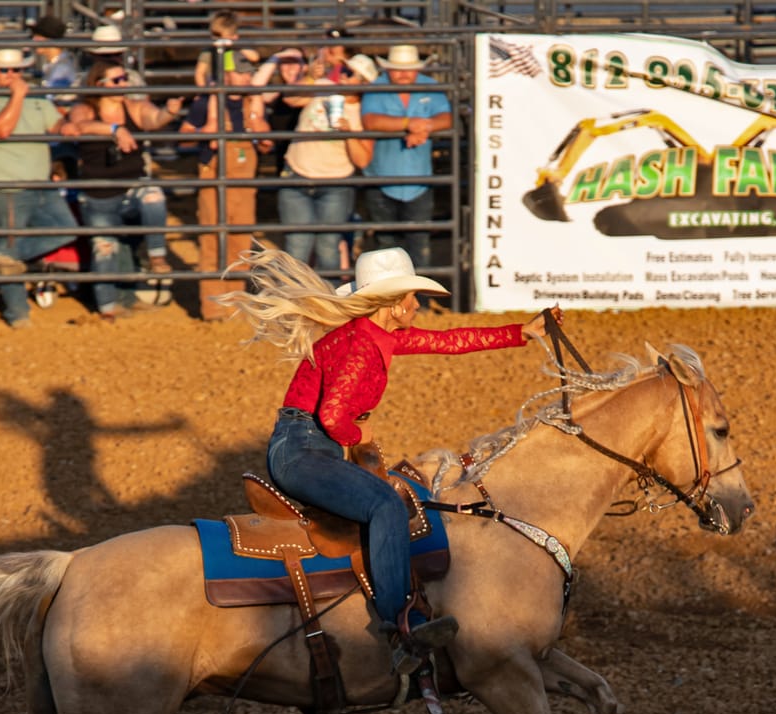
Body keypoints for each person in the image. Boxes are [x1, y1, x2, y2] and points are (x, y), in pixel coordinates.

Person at [218, 246, 556, 674]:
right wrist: (359, 434)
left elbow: (448, 342)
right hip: (302, 450)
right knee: (386, 505)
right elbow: (333, 417)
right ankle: (402, 625)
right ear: (393, 304)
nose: (416, 303)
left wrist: (520, 332)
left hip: (306, 446)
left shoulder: (376, 336)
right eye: (411, 296)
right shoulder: (360, 345)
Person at [59, 61, 183, 321]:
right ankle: (108, 308)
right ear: (99, 84)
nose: (124, 83)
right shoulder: (84, 109)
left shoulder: (134, 107)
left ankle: (157, 257)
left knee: (152, 195)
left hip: (130, 189)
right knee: (105, 250)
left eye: (124, 78)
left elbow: (153, 118)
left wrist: (169, 112)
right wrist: (115, 129)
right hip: (98, 196)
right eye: (117, 80)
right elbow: (81, 126)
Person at [0, 46, 76, 328]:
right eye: (4, 70)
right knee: (10, 244)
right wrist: (18, 96)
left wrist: (70, 122)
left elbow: (55, 124)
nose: (11, 75)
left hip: (40, 183)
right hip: (7, 186)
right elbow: (1, 130)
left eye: (17, 70)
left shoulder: (36, 96)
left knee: (65, 229)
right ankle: (17, 313)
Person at [275, 53, 378, 275]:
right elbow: (290, 98)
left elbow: (363, 159)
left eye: (350, 73)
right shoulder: (323, 86)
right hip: (297, 175)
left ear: (364, 84)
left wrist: (349, 133)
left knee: (328, 249)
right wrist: (310, 78)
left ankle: (326, 296)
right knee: (297, 248)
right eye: (344, 70)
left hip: (335, 183)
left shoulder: (364, 113)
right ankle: (294, 296)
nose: (343, 75)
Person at [181, 52, 265, 318]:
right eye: (241, 72)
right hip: (214, 179)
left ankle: (234, 305)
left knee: (240, 242)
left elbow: (266, 144)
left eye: (248, 72)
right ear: (226, 74)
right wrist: (203, 132)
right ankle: (213, 307)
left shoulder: (252, 104)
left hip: (243, 183)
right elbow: (183, 137)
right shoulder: (207, 103)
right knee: (212, 241)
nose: (246, 77)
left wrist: (261, 128)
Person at [359, 44, 451, 271]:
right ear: (388, 69)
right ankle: (399, 291)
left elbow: (446, 118)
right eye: (398, 69)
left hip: (417, 180)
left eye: (408, 69)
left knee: (417, 244)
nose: (403, 74)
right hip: (383, 179)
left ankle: (416, 292)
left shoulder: (430, 86)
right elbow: (371, 121)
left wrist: (423, 126)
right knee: (387, 246)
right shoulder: (376, 87)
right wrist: (411, 124)